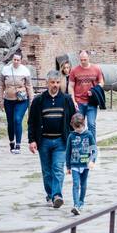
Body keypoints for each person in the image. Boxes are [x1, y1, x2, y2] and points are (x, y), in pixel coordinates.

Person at [27, 73, 75, 208]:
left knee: (58, 168)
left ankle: (57, 195)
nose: (55, 85)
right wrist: (32, 140)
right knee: (47, 171)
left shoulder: (66, 100)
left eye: (57, 82)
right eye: (53, 82)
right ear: (47, 83)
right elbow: (32, 122)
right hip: (44, 141)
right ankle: (50, 194)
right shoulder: (39, 100)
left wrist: (74, 138)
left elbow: (73, 120)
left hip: (61, 140)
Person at [0, 50, 33, 154]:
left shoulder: (25, 71)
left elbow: (29, 86)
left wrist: (31, 100)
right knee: (10, 122)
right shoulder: (5, 70)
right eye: (14, 59)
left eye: (18, 60)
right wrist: (1, 99)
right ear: (12, 59)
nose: (16, 61)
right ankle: (11, 142)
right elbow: (1, 85)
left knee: (17, 120)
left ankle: (18, 144)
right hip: (9, 99)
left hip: (21, 99)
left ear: (21, 61)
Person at [69, 50, 104, 139]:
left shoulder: (96, 69)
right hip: (79, 101)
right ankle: (80, 142)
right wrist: (73, 101)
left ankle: (92, 144)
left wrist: (94, 90)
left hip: (91, 102)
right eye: (81, 60)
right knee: (78, 124)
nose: (83, 61)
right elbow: (70, 86)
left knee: (91, 124)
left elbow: (101, 82)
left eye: (85, 59)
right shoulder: (74, 70)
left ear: (89, 58)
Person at [66, 111, 96, 215]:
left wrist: (92, 160)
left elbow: (94, 149)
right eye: (75, 127)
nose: (77, 129)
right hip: (74, 164)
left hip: (85, 164)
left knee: (83, 184)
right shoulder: (71, 136)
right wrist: (68, 166)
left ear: (83, 124)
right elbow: (68, 151)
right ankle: (76, 205)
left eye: (79, 127)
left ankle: (81, 202)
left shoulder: (89, 135)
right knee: (75, 184)